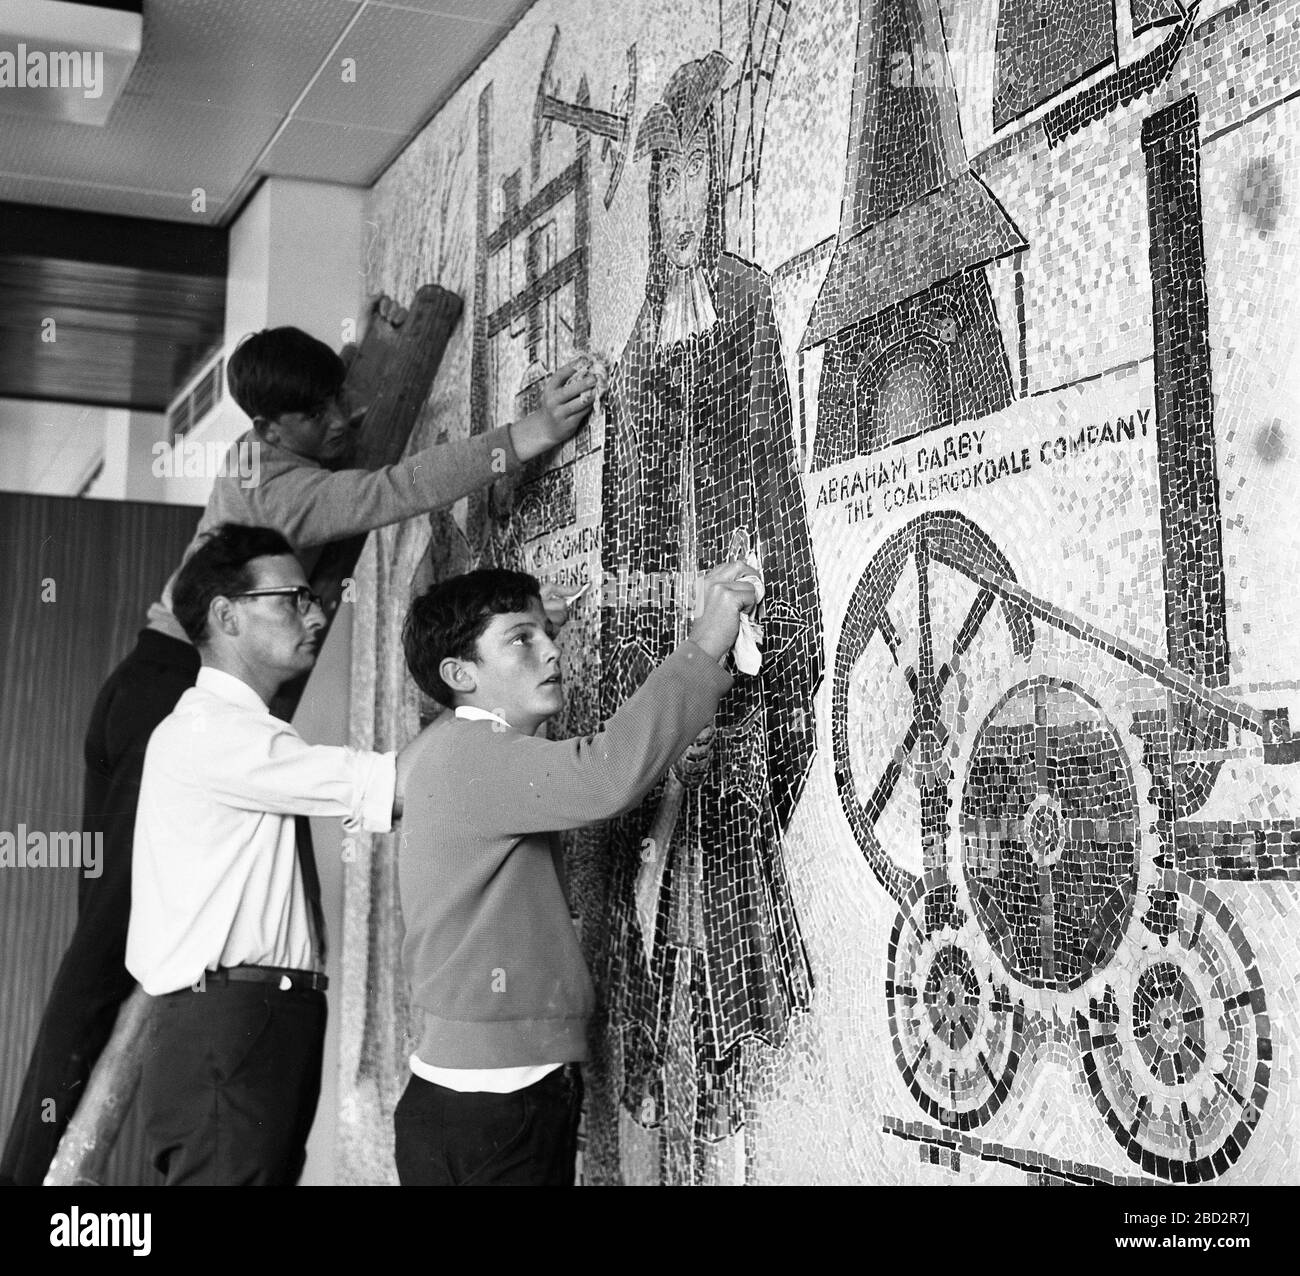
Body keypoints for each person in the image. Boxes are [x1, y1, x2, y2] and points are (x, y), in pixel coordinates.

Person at [0, 316, 596, 1186]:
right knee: (101, 959)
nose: (345, 424)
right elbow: (399, 488)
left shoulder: (256, 460)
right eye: (323, 417)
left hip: (143, 688)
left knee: (107, 947)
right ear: (277, 427)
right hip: (160, 701)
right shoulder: (274, 524)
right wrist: (525, 438)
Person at [599, 53, 823, 1146]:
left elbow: (774, 480)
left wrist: (773, 630)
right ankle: (680, 1121)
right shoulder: (637, 346)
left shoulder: (743, 303)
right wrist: (640, 654)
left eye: (693, 175)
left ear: (716, 180)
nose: (679, 201)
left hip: (738, 661)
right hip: (668, 669)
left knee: (727, 910)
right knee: (663, 921)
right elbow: (629, 530)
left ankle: (723, 1120)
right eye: (664, 182)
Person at [393, 561, 758, 1186]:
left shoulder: (440, 748)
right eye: (521, 640)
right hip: (504, 1103)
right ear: (459, 674)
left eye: (547, 634)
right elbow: (603, 775)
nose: (551, 652)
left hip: (449, 1099)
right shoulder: (480, 760)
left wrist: (528, 624)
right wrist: (706, 644)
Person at [128, 523, 411, 1185]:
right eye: (292, 598)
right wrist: (483, 696)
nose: (314, 614)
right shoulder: (214, 734)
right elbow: (391, 787)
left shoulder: (240, 729)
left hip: (256, 1019)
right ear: (225, 615)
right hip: (226, 1025)